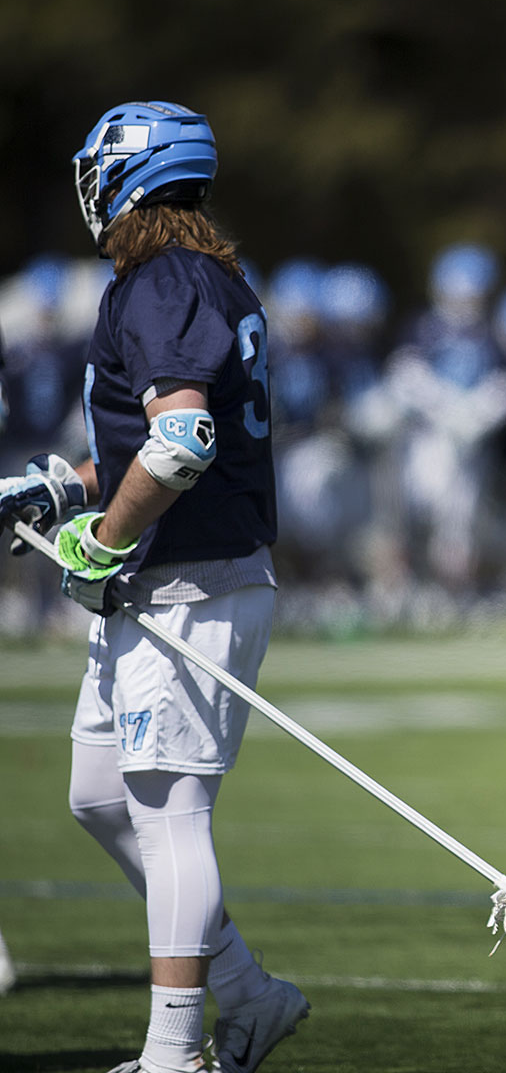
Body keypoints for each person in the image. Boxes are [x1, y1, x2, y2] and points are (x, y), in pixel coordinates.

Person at [0, 100, 306, 1073]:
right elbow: (154, 448)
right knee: (100, 797)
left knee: (170, 814)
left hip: (192, 586)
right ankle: (250, 994)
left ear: (125, 178)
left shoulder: (162, 280)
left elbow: (182, 442)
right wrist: (67, 488)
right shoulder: (200, 278)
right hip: (173, 576)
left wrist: (103, 539)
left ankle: (174, 1055)